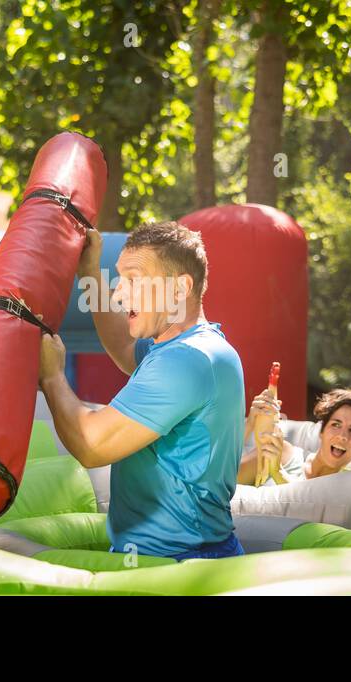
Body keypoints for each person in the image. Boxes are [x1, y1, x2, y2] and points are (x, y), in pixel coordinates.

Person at [38, 221, 246, 560]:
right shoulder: (188, 346)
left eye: (133, 280)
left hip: (176, 565)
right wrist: (89, 272)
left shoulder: (186, 361)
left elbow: (92, 445)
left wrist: (51, 377)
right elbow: (123, 345)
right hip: (180, 552)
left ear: (180, 289)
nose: (120, 294)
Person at [237, 388, 351, 485]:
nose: (342, 436)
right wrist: (249, 424)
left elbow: (309, 508)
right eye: (336, 425)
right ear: (322, 431)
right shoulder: (282, 453)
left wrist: (278, 473)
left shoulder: (350, 487)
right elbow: (219, 482)